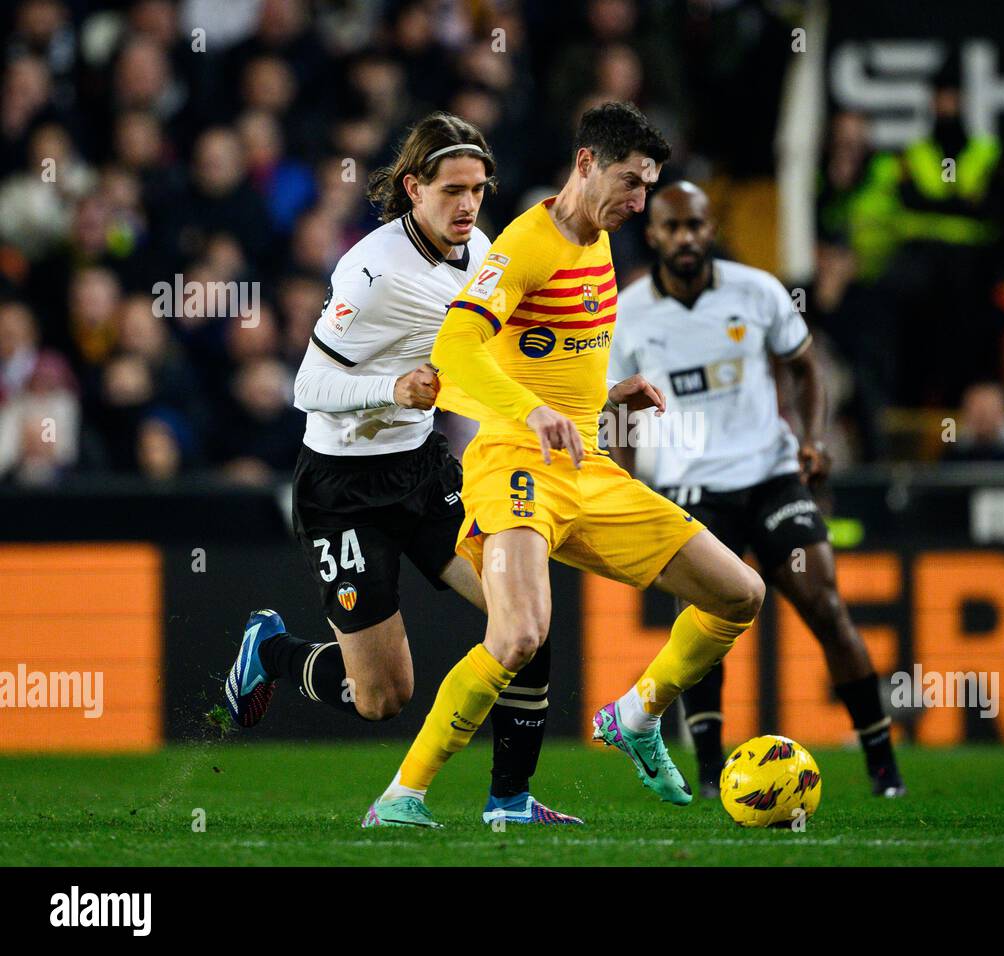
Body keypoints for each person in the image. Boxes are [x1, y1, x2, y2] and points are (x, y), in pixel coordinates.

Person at [367, 102, 765, 827]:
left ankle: (638, 716)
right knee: (519, 634)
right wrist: (532, 413)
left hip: (586, 465)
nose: (639, 201)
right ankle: (403, 795)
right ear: (585, 164)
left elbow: (548, 358)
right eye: (629, 181)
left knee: (740, 593)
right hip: (515, 461)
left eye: (647, 186)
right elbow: (456, 347)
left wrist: (609, 398)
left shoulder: (600, 238)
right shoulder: (527, 243)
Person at [220, 113, 581, 827]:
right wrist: (392, 388)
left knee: (525, 619)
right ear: (414, 187)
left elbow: (502, 351)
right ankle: (276, 651)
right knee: (382, 697)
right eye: (452, 189)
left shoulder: (478, 250)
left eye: (479, 188)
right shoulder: (371, 271)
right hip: (343, 489)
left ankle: (508, 801)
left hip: (424, 469)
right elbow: (306, 390)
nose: (469, 205)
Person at [608, 181, 906, 797]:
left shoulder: (758, 290)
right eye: (673, 228)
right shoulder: (628, 312)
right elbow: (618, 406)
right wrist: (624, 484)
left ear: (710, 228)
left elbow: (805, 367)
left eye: (696, 225)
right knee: (706, 621)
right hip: (690, 487)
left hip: (770, 476)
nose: (686, 238)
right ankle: (712, 773)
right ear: (654, 235)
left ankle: (882, 764)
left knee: (825, 605)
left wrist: (814, 440)